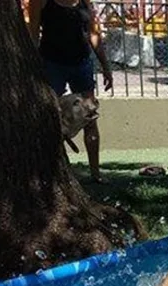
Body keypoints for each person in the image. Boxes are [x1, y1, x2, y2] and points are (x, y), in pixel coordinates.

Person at [27, 0, 114, 183]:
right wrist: (31, 65)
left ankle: (95, 173)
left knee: (90, 118)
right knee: (49, 118)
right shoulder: (41, 2)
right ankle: (50, 174)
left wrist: (106, 67)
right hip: (52, 64)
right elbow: (33, 32)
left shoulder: (84, 2)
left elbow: (94, 34)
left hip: (81, 64)